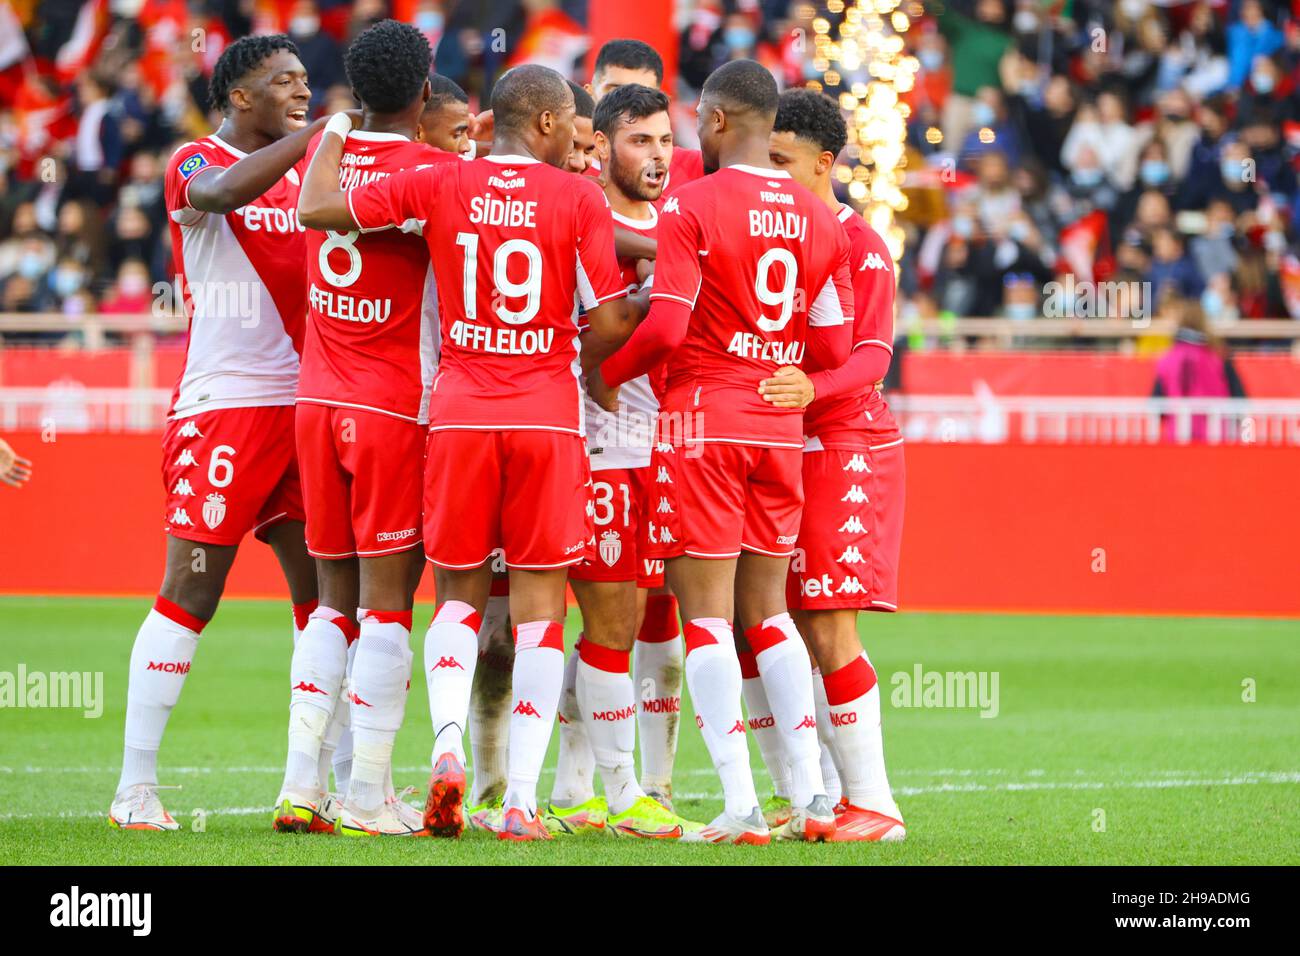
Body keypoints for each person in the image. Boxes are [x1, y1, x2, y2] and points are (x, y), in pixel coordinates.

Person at [298, 63, 646, 841]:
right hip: (547, 416)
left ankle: (448, 746)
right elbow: (611, 322)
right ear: (551, 124)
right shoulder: (579, 198)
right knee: (539, 610)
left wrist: (336, 129)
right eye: (574, 131)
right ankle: (520, 798)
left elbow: (318, 206)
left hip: (457, 411)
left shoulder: (444, 180)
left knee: (454, 592)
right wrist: (616, 321)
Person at [596, 59, 855, 844]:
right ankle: (813, 797)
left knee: (706, 619)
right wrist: (786, 371)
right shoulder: (821, 219)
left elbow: (668, 327)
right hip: (777, 428)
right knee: (768, 613)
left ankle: (741, 805)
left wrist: (603, 374)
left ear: (713, 122)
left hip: (700, 422)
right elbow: (837, 342)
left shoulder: (692, 205)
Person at [109, 34, 323, 831]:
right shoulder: (194, 161)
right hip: (225, 407)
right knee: (192, 590)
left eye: (307, 81)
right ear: (239, 96)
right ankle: (135, 789)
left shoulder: (310, 171)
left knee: (325, 602)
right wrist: (320, 133)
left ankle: (317, 785)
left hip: (307, 407)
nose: (303, 92)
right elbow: (224, 194)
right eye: (284, 82)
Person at [276, 20, 462, 838]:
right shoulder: (440, 174)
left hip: (314, 401)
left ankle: (298, 787)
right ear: (425, 93)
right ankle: (366, 794)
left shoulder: (322, 160)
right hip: (394, 406)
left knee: (328, 605)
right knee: (389, 606)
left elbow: (317, 204)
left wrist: (338, 125)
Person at [545, 83, 701, 839]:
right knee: (607, 620)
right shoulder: (583, 214)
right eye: (641, 140)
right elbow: (589, 337)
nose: (659, 156)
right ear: (603, 147)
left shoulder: (674, 220)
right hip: (594, 445)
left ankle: (577, 790)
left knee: (633, 619)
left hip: (658, 448)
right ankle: (612, 790)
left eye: (667, 141)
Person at [764, 88, 906, 841]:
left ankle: (876, 806)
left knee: (827, 629)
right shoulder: (775, 235)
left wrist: (811, 387)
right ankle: (813, 799)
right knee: (780, 624)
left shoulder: (862, 244)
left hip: (846, 444)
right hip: (788, 445)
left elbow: (874, 358)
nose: (772, 175)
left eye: (783, 162)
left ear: (824, 164)